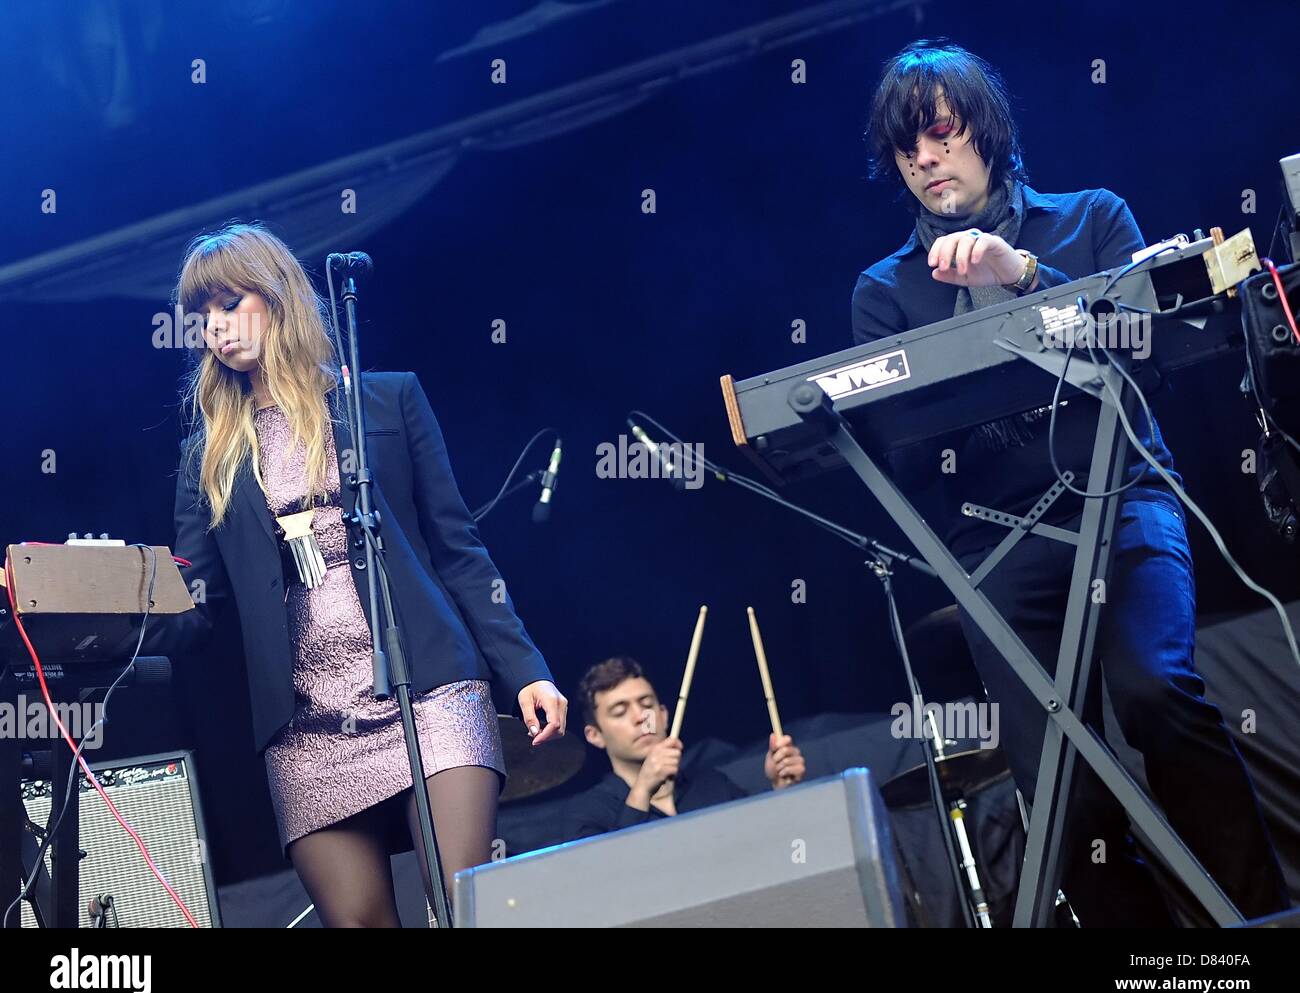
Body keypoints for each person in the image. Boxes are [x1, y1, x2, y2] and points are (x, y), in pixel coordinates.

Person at [851, 39, 1288, 925]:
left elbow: (1153, 356)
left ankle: (1259, 923)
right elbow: (904, 456)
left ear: (988, 129)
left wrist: (1023, 280)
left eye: (939, 134)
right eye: (907, 151)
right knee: (1062, 788)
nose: (926, 161)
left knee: (1155, 692)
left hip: (1121, 498)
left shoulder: (1090, 218)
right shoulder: (885, 291)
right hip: (996, 542)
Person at [132, 222, 567, 927]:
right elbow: (196, 604)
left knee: (467, 908)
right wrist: (102, 615)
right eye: (202, 315)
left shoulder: (388, 401)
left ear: (276, 297)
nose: (216, 327)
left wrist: (526, 670)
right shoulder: (205, 457)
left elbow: (459, 549)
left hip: (428, 692)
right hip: (306, 729)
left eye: (230, 302)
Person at [566, 656, 805, 839]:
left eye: (647, 704)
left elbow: (765, 849)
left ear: (663, 716)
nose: (641, 717)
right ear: (595, 735)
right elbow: (609, 881)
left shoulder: (713, 786)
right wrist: (642, 792)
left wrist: (783, 792)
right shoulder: (589, 812)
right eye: (620, 712)